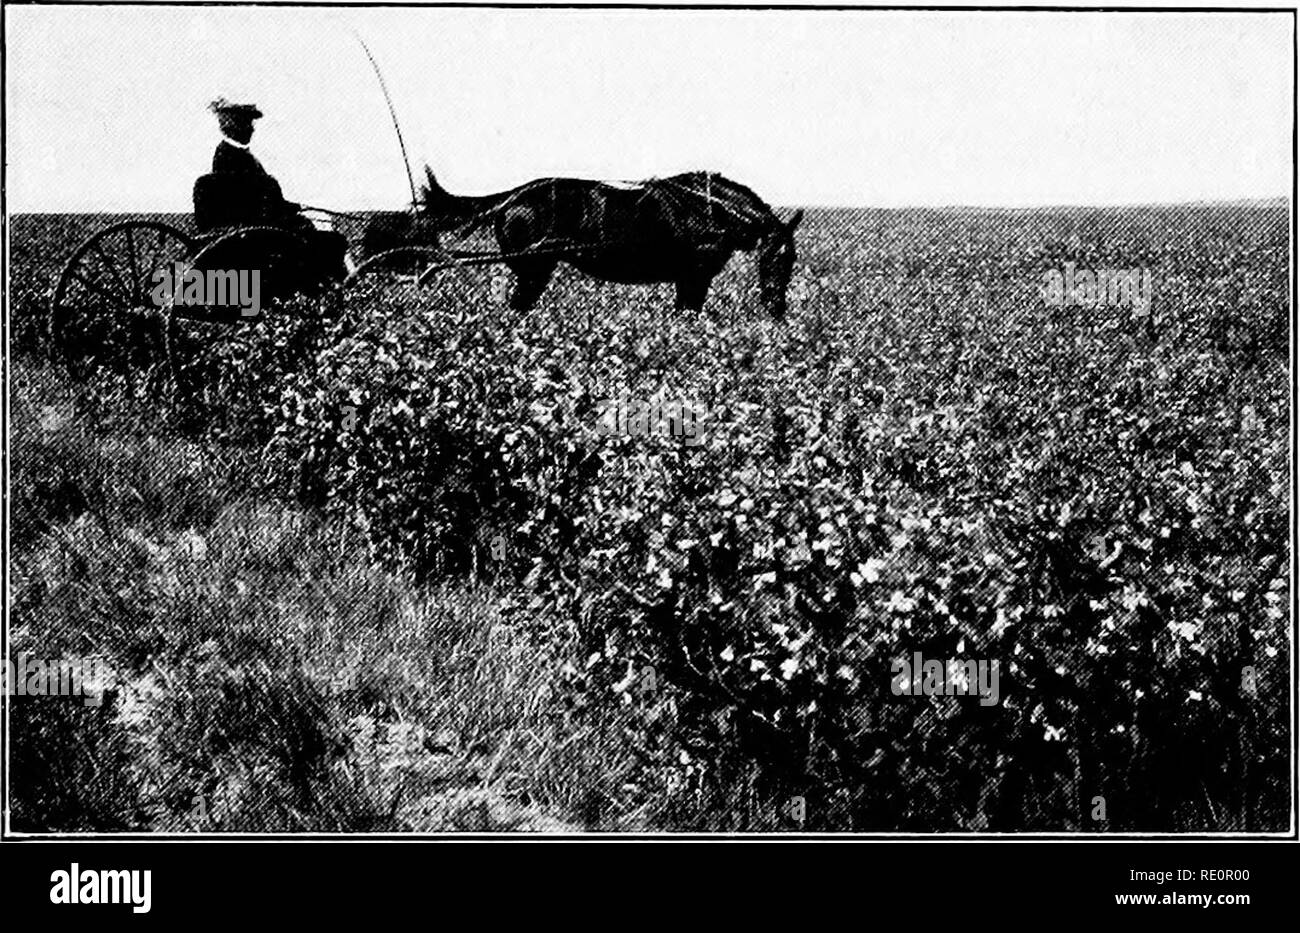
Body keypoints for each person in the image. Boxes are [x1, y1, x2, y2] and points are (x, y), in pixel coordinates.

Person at [201, 98, 348, 283]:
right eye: (248, 123)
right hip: (259, 229)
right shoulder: (233, 158)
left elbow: (261, 197)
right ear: (233, 125)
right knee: (332, 240)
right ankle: (329, 287)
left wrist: (296, 206)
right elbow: (255, 200)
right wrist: (291, 209)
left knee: (316, 226)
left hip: (259, 224)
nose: (252, 128)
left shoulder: (235, 155)